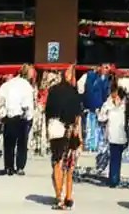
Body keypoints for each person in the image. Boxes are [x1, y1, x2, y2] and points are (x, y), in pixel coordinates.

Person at [47, 66, 83, 210]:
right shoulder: (74, 92)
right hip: (71, 130)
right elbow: (78, 115)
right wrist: (79, 135)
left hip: (55, 129)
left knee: (57, 162)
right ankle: (68, 196)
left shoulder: (53, 91)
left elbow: (48, 112)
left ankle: (59, 196)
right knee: (69, 166)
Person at [0, 64, 36, 176]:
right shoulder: (27, 86)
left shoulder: (8, 84)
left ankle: (9, 166)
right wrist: (29, 117)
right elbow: (28, 104)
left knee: (9, 143)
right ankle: (20, 167)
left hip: (9, 117)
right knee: (22, 144)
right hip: (22, 117)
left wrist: (2, 111)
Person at [99, 86, 128, 187]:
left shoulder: (125, 106)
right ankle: (113, 179)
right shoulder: (108, 105)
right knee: (113, 157)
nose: (115, 98)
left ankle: (115, 178)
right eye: (114, 96)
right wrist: (105, 112)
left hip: (121, 135)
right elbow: (101, 118)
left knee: (117, 158)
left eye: (117, 96)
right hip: (112, 135)